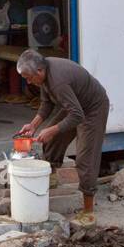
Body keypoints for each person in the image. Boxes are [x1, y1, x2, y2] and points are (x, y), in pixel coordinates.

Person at [16, 49, 110, 226]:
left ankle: (88, 211)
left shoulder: (58, 81)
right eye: (25, 78)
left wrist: (52, 130)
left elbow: (78, 116)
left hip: (93, 108)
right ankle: (50, 176)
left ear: (39, 71)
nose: (28, 82)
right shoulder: (43, 74)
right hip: (76, 105)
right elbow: (47, 103)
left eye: (29, 77)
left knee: (85, 157)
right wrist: (33, 125)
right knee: (52, 138)